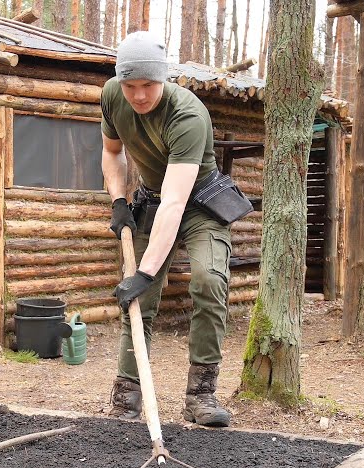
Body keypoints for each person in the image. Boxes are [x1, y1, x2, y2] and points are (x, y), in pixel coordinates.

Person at [102, 30, 233, 427]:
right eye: (130, 85)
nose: (139, 95)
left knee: (209, 281)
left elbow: (177, 202)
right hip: (153, 200)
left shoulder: (187, 115)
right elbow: (111, 153)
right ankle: (126, 397)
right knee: (138, 300)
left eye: (149, 85)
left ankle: (201, 394)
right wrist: (119, 201)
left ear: (164, 79)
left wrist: (144, 272)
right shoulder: (111, 96)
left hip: (200, 204)